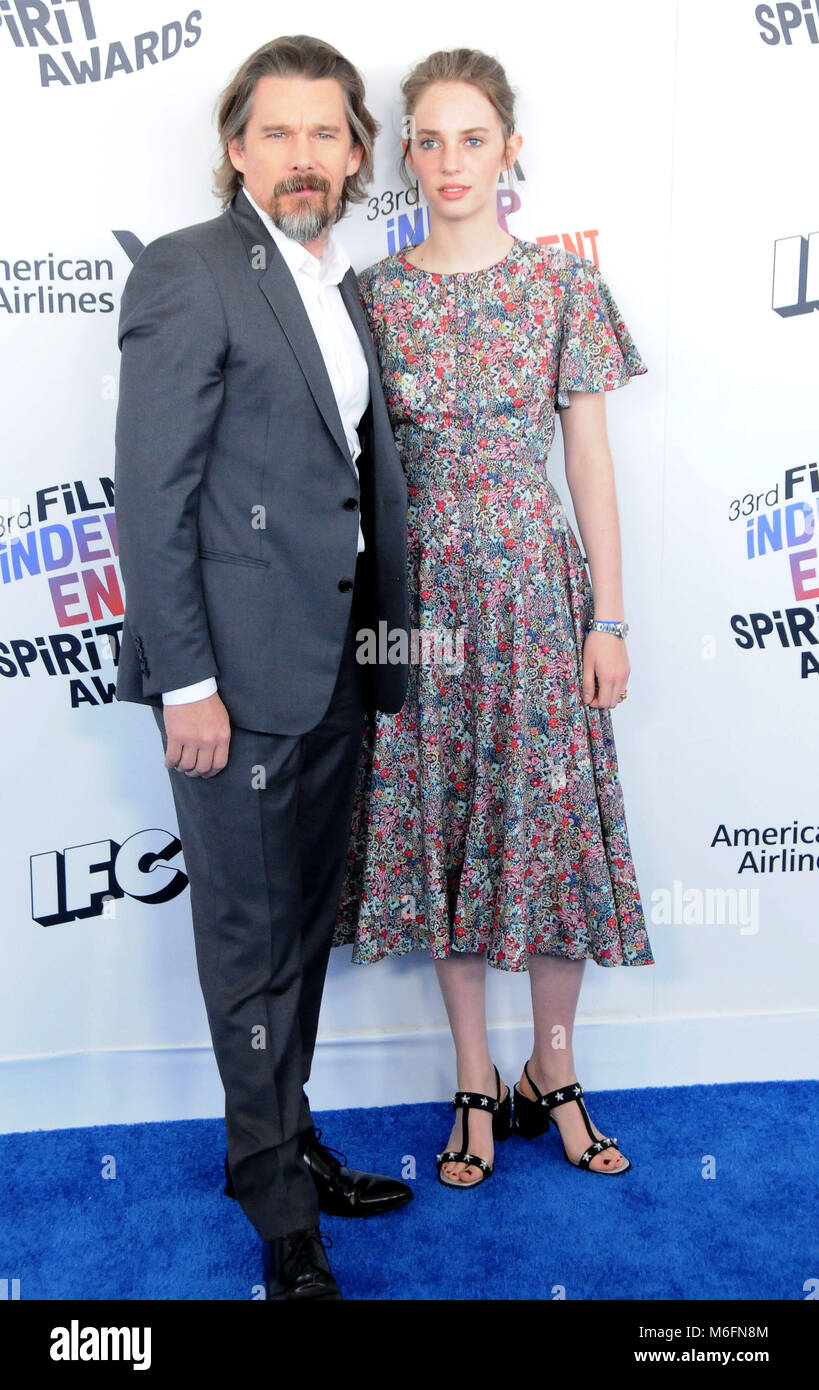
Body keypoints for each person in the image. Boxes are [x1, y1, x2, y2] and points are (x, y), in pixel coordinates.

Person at [114, 34, 413, 1300]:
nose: (305, 156)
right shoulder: (192, 273)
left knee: (297, 934)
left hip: (336, 669)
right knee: (249, 944)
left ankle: (283, 1141)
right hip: (230, 688)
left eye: (327, 133)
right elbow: (153, 492)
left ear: (355, 155)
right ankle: (278, 1210)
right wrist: (186, 683)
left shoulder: (338, 284)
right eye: (278, 132)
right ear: (237, 147)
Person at [334, 47, 655, 1188]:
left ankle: (553, 1071)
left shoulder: (562, 288)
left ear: (511, 149)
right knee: (447, 831)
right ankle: (475, 1075)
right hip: (419, 603)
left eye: (474, 137)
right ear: (405, 153)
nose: (450, 160)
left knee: (552, 835)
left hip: (535, 593)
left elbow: (590, 462)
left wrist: (607, 620)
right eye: (428, 138)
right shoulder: (367, 298)